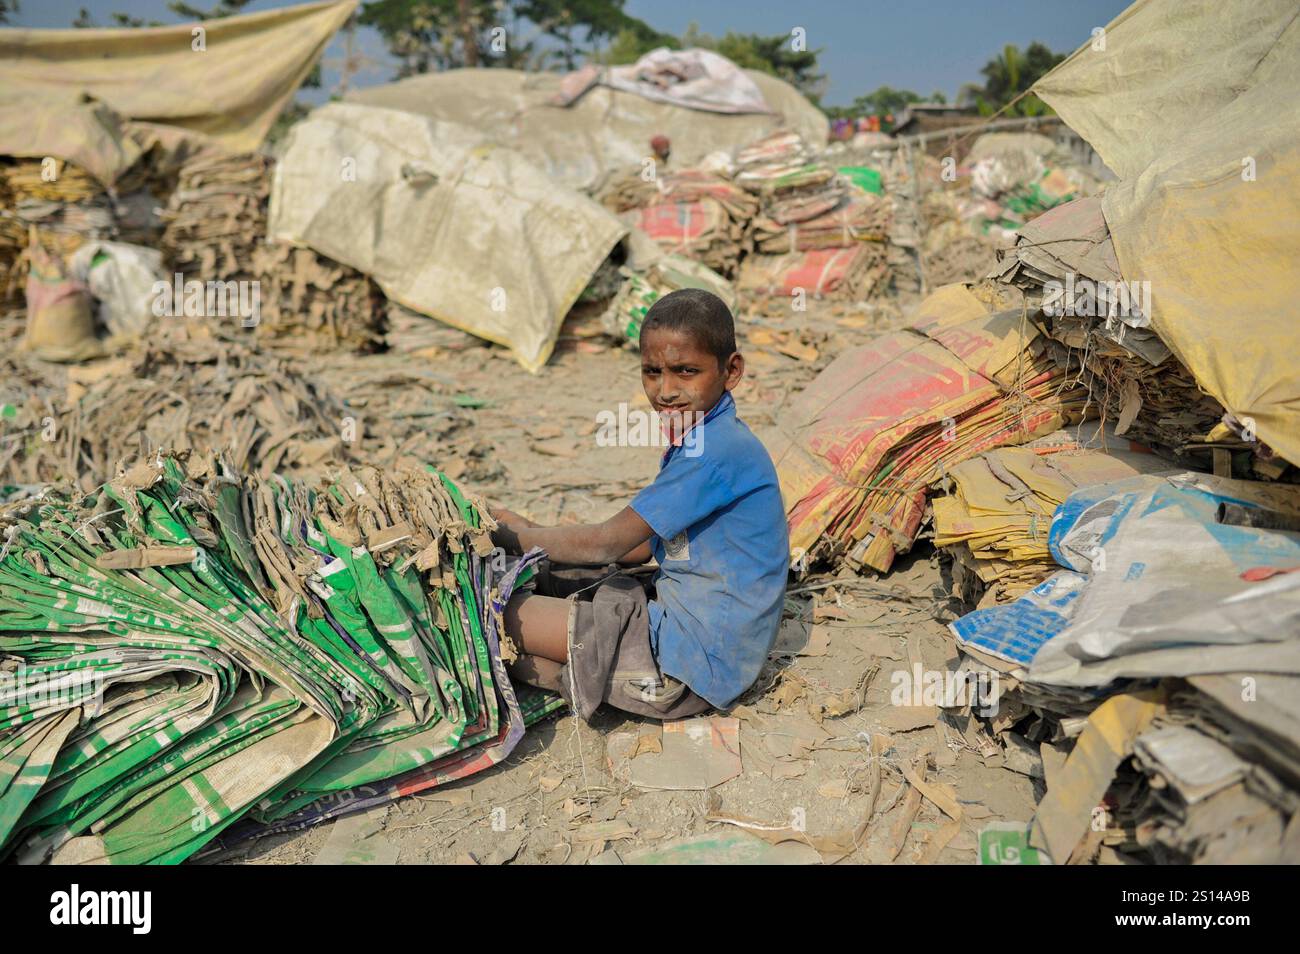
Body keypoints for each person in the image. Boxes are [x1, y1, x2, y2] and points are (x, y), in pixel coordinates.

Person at [491, 289, 789, 721]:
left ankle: (573, 677)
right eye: (653, 372)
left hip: (689, 669)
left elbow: (607, 544)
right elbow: (640, 547)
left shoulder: (716, 452)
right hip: (705, 646)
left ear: (732, 370)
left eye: (686, 371)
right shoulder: (703, 436)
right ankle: (573, 672)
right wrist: (533, 532)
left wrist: (509, 535)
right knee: (554, 577)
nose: (666, 391)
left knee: (499, 615)